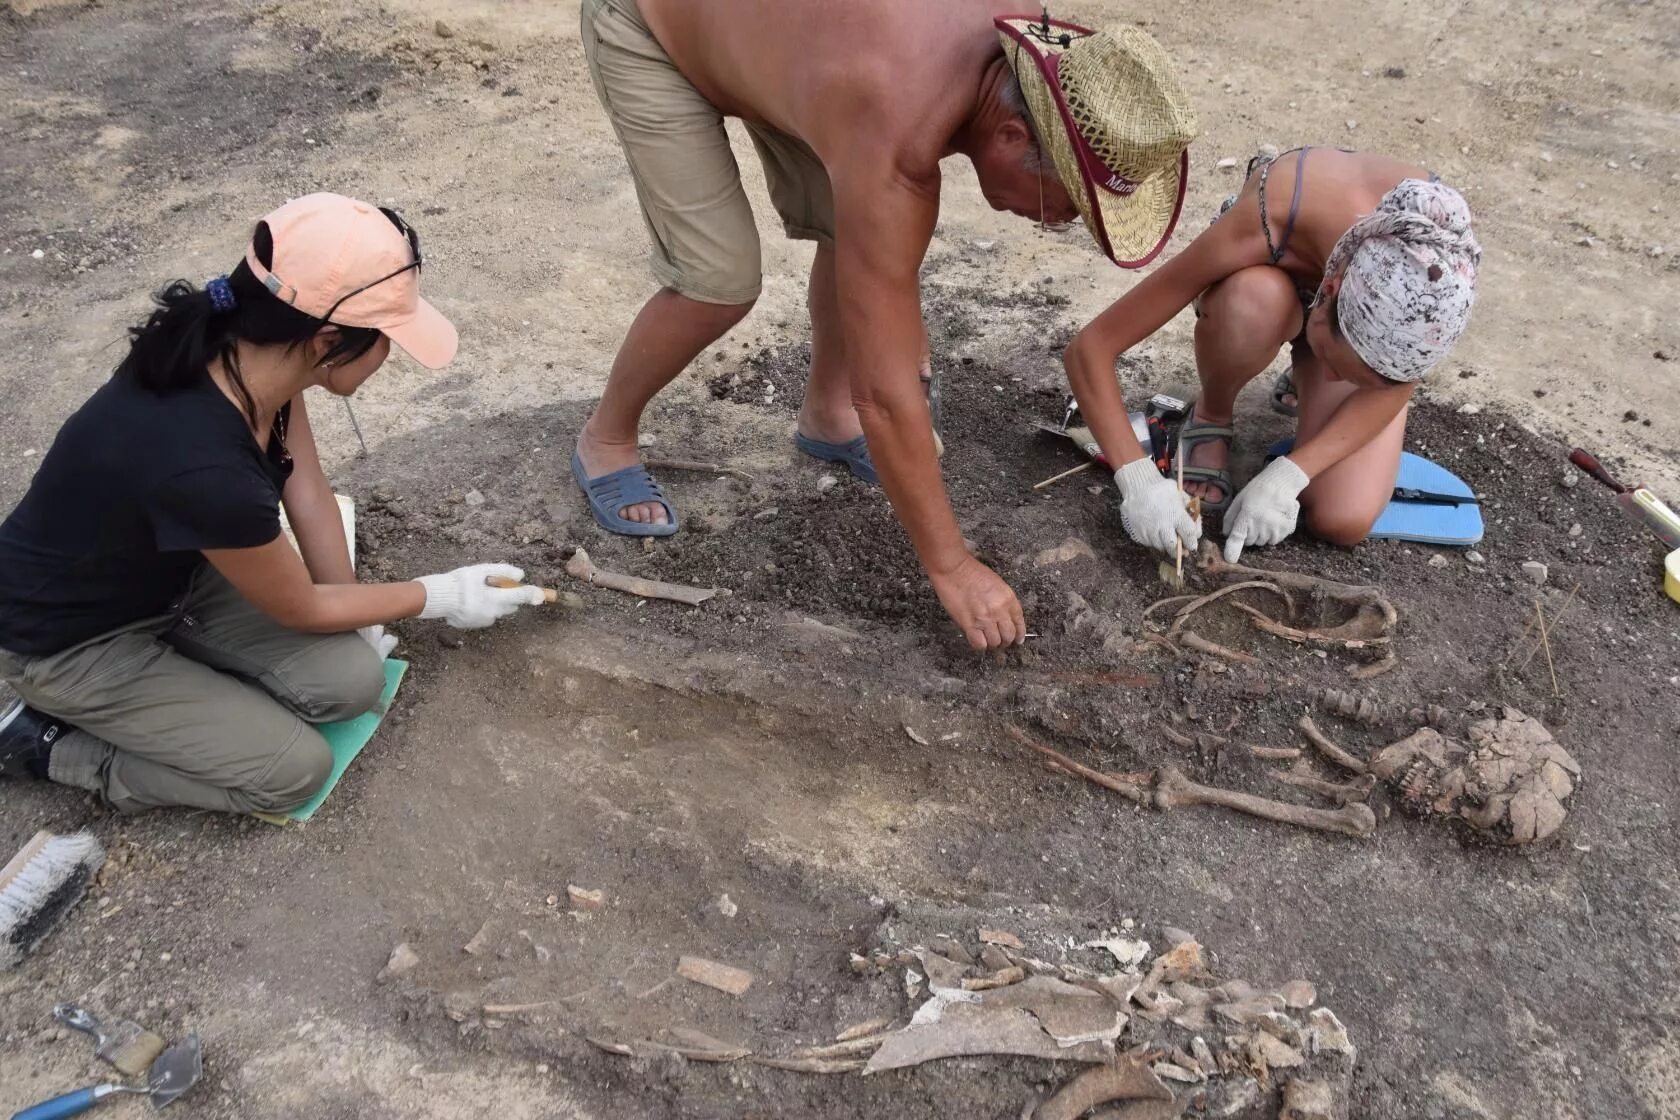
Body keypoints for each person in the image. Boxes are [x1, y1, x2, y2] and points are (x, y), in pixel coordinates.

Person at [571, 3, 1196, 649]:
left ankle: (825, 419)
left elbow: (880, 262)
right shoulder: (894, 129)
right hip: (657, 29)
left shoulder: (1023, 47)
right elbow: (886, 394)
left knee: (857, 237)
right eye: (1065, 200)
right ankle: (607, 437)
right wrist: (950, 564)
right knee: (716, 282)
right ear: (1011, 135)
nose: (1058, 221)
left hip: (788, 46)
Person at [0, 193, 547, 815]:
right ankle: (55, 749)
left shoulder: (252, 359)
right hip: (76, 641)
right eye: (386, 337)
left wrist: (357, 620)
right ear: (328, 340)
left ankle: (186, 689)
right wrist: (443, 595)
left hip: (174, 582)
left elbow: (306, 488)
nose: (390, 355)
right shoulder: (202, 464)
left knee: (352, 681)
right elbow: (303, 605)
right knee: (292, 772)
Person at [1063, 148, 1481, 563]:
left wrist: (1290, 474)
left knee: (1343, 517)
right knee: (1251, 305)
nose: (1341, 382)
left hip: (1335, 320)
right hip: (1271, 278)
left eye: (1357, 377)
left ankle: (1314, 367)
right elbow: (1091, 348)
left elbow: (1397, 386)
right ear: (1328, 292)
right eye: (1337, 366)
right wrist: (1136, 480)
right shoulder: (1271, 216)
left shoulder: (1435, 269)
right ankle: (1212, 415)